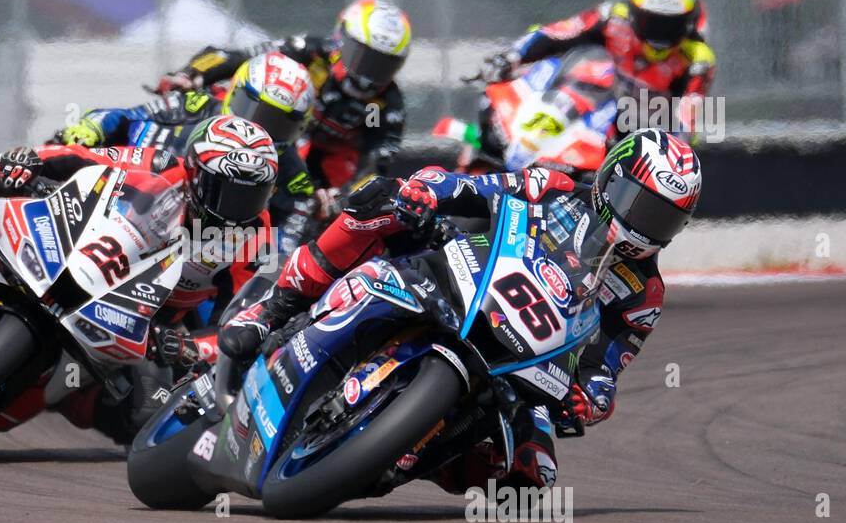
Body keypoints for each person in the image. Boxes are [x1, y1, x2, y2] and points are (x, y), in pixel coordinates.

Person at [219, 128, 702, 493]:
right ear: (610, 181)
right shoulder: (553, 186)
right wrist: (430, 192)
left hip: (531, 366)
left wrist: (594, 397)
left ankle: (401, 450)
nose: (646, 225)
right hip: (457, 281)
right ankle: (273, 309)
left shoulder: (645, 294)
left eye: (664, 218)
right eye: (641, 205)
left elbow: (609, 363)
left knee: (534, 480)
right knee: (378, 204)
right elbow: (481, 189)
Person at [0, 115, 281, 442]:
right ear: (194, 173)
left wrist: (191, 345)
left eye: (252, 194)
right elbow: (77, 156)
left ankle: (59, 397)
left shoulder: (252, 238)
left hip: (140, 326)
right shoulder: (158, 166)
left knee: (145, 414)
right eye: (225, 189)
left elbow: (242, 319)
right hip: (73, 256)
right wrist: (27, 161)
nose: (238, 206)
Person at [157, 0, 412, 190]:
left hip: (319, 164)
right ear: (340, 39)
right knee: (227, 96)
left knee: (351, 177)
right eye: (362, 57)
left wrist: (344, 198)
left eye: (383, 65)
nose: (369, 74)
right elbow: (239, 57)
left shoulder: (388, 104)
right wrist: (190, 75)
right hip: (272, 132)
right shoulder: (308, 51)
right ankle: (179, 156)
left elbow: (376, 163)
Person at [54, 51, 317, 230]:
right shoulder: (194, 104)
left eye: (278, 123)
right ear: (234, 92)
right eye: (254, 111)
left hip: (195, 253)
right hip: (116, 203)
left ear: (299, 127)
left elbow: (281, 253)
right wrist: (90, 129)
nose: (255, 129)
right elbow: (123, 116)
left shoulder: (296, 180)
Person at [480, 0, 716, 140]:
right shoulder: (611, 19)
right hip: (579, 119)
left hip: (637, 140)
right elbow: (556, 34)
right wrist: (511, 58)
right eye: (652, 21)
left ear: (688, 23)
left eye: (671, 24)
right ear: (634, 13)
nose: (660, 33)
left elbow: (687, 121)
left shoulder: (697, 59)